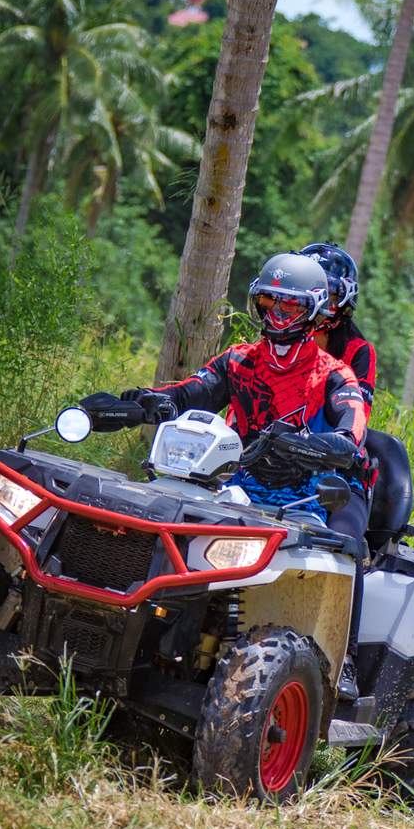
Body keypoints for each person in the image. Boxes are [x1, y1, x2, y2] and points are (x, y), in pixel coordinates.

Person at [121, 252, 369, 699]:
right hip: (235, 486)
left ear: (313, 311)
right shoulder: (239, 360)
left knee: (344, 557)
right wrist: (138, 402)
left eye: (289, 306)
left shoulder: (334, 374)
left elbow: (351, 431)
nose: (275, 315)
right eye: (268, 302)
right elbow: (189, 392)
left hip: (305, 498)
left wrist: (314, 445)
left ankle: (341, 661)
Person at [302, 242, 377, 414]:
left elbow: (357, 415)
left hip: (318, 436)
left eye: (328, 295)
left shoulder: (359, 350)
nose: (317, 303)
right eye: (307, 292)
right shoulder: (281, 331)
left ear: (345, 299)